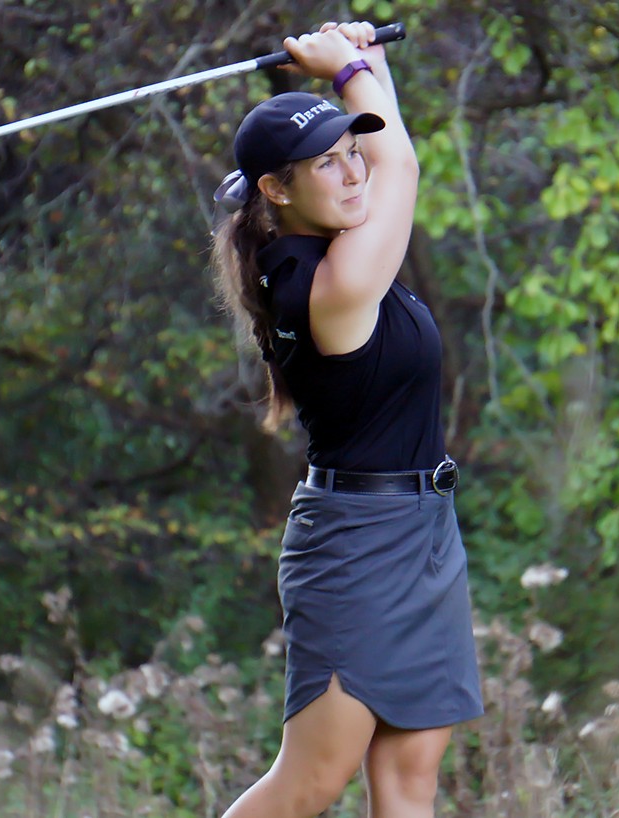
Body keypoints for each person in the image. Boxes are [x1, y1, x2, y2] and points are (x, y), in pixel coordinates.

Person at [210, 21, 484, 818]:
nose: (352, 170)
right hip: (355, 545)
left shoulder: (339, 241)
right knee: (311, 785)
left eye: (350, 150)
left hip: (424, 531)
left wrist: (371, 68)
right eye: (326, 162)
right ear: (276, 190)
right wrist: (347, 68)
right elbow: (404, 162)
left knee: (409, 783)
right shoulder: (319, 283)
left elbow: (382, 149)